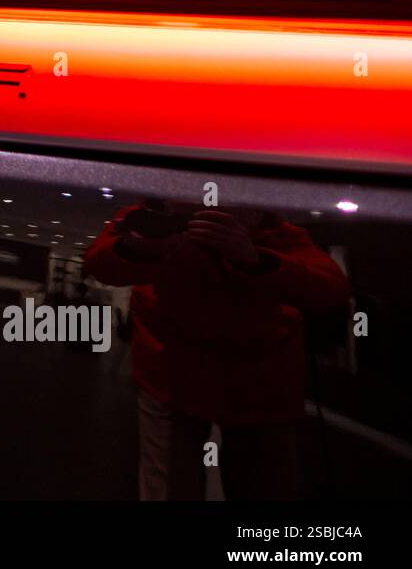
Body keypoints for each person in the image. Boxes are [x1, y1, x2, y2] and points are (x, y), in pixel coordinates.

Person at [84, 200, 349, 500]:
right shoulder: (162, 213)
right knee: (173, 483)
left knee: (259, 482)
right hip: (179, 374)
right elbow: (100, 262)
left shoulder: (271, 230)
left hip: (254, 382)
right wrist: (144, 248)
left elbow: (331, 289)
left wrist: (251, 257)